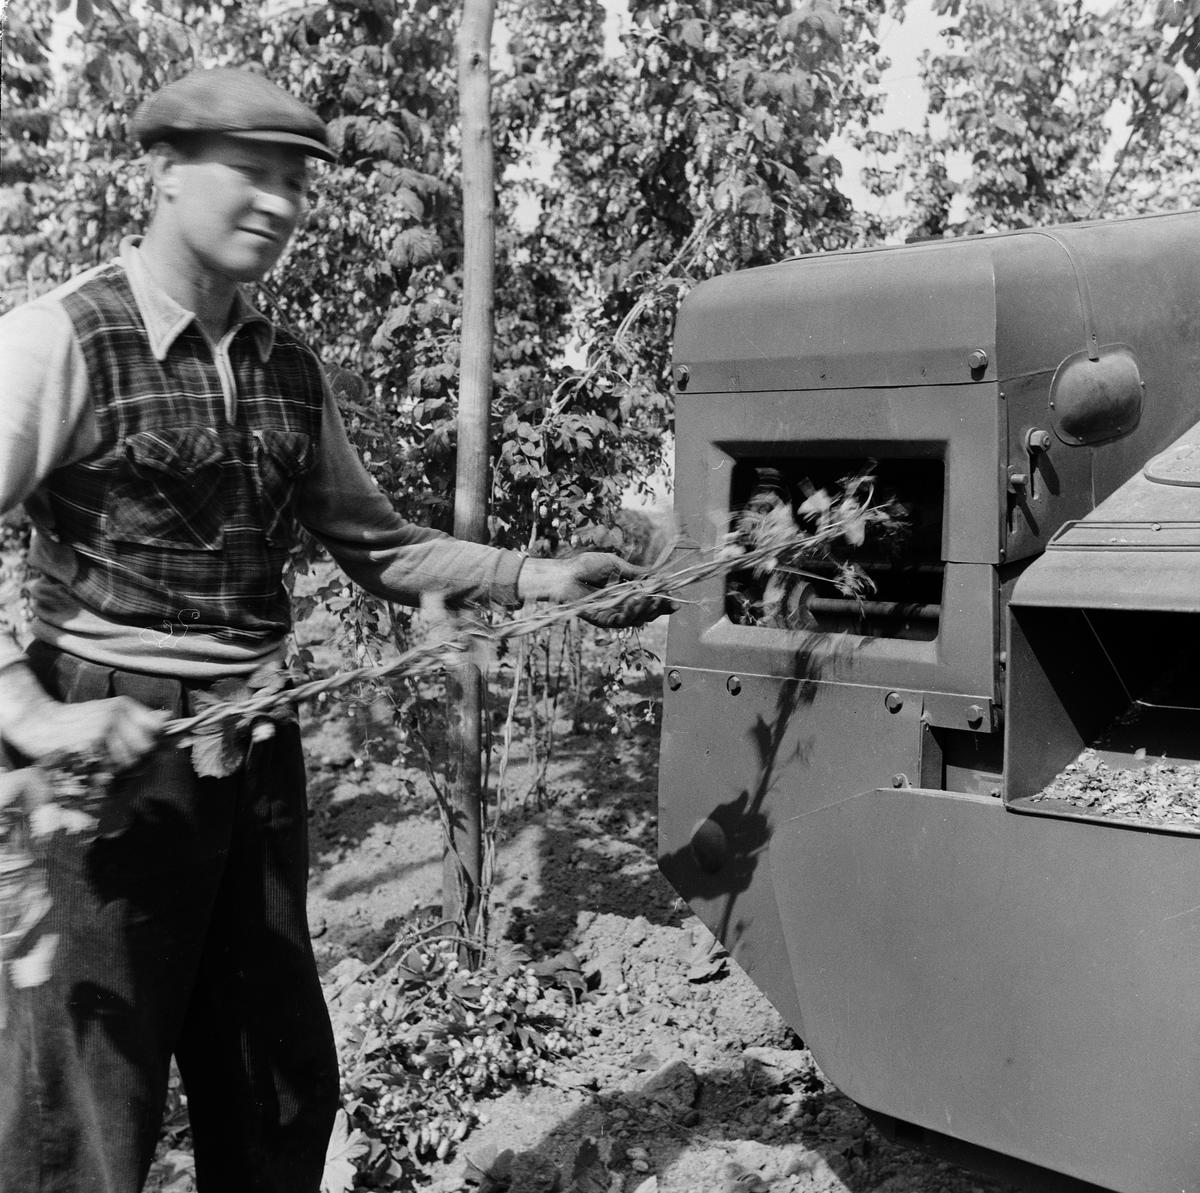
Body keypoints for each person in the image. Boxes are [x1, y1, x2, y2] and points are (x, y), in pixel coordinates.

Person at [0, 66, 668, 1193]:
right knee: (85, 1099)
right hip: (107, 766)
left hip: (254, 749)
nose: (276, 203)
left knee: (275, 1078)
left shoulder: (286, 370)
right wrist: (31, 713)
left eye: (293, 182)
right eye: (247, 173)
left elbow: (378, 542)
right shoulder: (63, 340)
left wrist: (532, 575)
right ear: (164, 173)